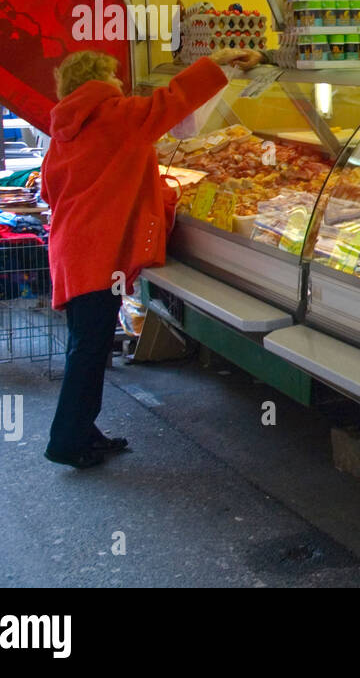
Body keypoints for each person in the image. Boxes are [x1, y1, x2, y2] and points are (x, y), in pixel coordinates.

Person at [41, 47, 252, 468]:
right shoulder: (116, 115)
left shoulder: (65, 128)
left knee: (87, 344)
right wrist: (219, 62)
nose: (121, 82)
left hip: (71, 249)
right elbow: (171, 101)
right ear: (101, 79)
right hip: (98, 254)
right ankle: (67, 440)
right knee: (87, 349)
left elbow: (51, 191)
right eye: (114, 75)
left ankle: (84, 430)